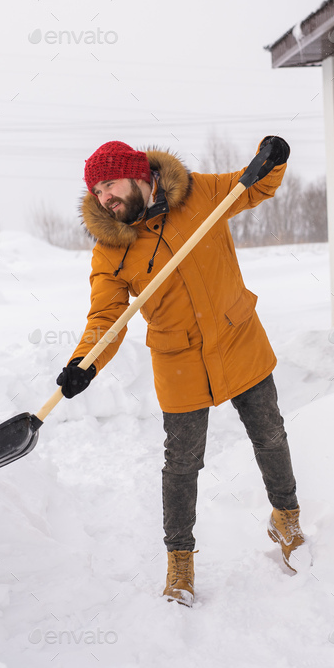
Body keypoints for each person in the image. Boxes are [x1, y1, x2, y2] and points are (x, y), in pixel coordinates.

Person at [56, 138, 305, 607]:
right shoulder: (110, 250)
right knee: (182, 464)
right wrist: (82, 362)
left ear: (137, 175)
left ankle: (286, 517)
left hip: (238, 338)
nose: (105, 197)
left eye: (111, 185)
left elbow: (253, 187)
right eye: (97, 191)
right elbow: (104, 319)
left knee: (270, 433)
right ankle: (179, 561)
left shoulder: (199, 194)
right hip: (180, 359)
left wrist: (272, 158)